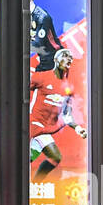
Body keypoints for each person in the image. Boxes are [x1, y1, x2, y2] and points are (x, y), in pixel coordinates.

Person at [29, 47, 87, 180]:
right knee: (24, 160)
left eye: (70, 57)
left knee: (55, 158)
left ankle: (35, 183)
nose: (69, 59)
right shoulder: (41, 77)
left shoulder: (68, 88)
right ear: (56, 59)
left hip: (44, 131)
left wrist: (78, 129)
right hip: (33, 125)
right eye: (65, 55)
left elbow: (67, 116)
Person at [29, 0, 62, 73]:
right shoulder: (28, 15)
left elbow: (37, 44)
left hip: (52, 60)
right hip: (43, 58)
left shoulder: (42, 17)